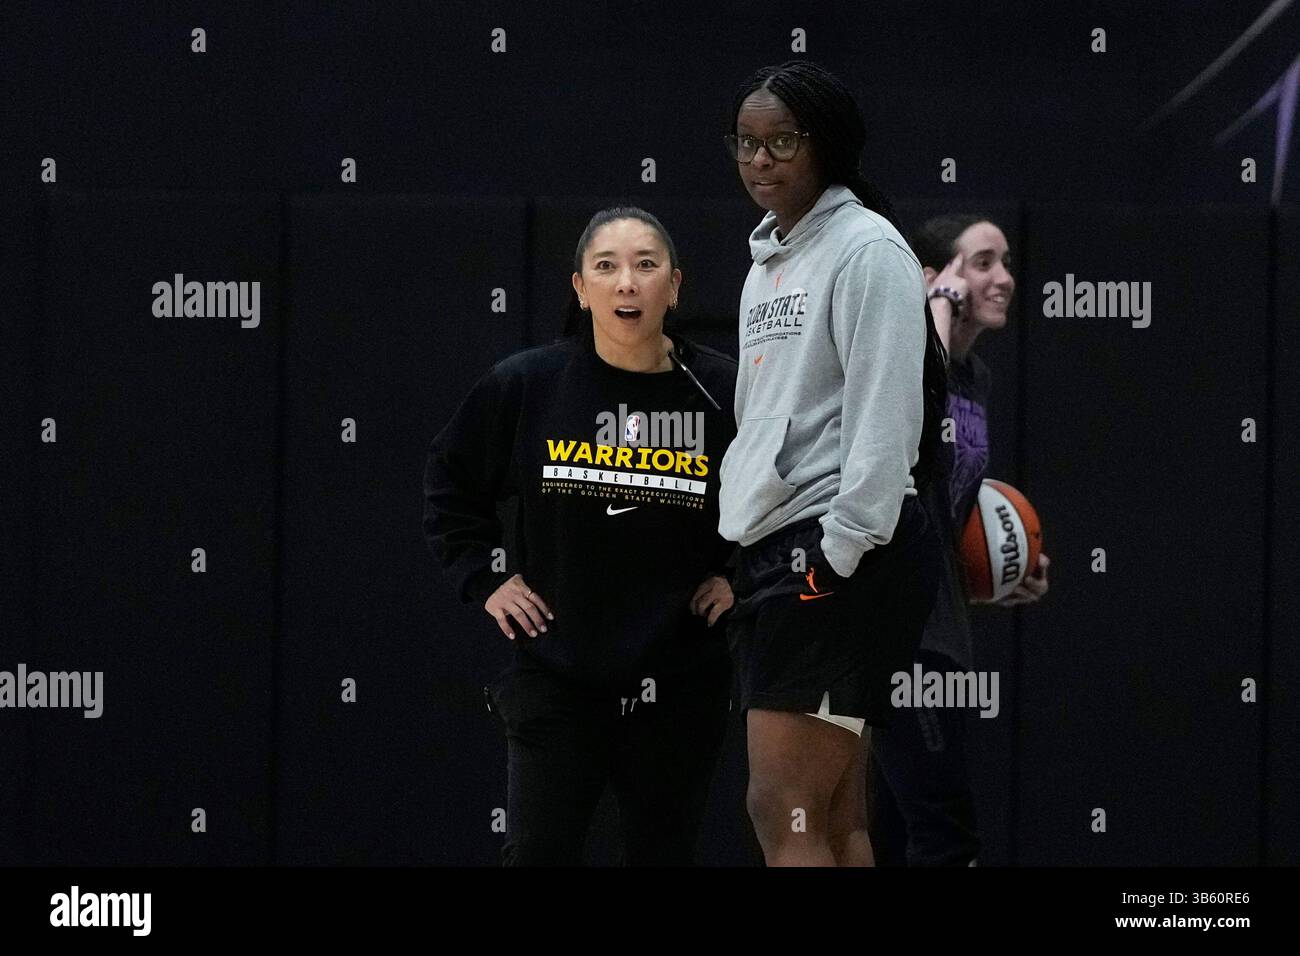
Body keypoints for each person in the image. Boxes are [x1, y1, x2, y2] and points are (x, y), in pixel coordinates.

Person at [422, 207, 739, 866]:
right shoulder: (529, 384)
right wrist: (483, 578)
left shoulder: (724, 392)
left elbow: (786, 498)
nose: (628, 283)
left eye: (646, 266)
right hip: (557, 675)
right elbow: (450, 482)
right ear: (580, 288)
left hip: (678, 680)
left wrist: (743, 574)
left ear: (674, 286)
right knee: (538, 854)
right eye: (607, 267)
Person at [717, 60, 949, 866]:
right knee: (835, 812)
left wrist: (838, 552)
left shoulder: (865, 249)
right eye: (746, 143)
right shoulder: (766, 265)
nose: (760, 160)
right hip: (786, 546)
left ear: (828, 145)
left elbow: (889, 417)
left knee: (782, 806)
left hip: (832, 552)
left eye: (782, 140)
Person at [867, 214, 1052, 866]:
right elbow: (907, 428)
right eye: (981, 262)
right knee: (946, 836)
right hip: (893, 634)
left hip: (940, 630)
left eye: (1005, 261)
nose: (1003, 277)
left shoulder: (976, 379)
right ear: (932, 277)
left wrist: (997, 572)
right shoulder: (894, 365)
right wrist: (932, 309)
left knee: (889, 837)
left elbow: (938, 510)